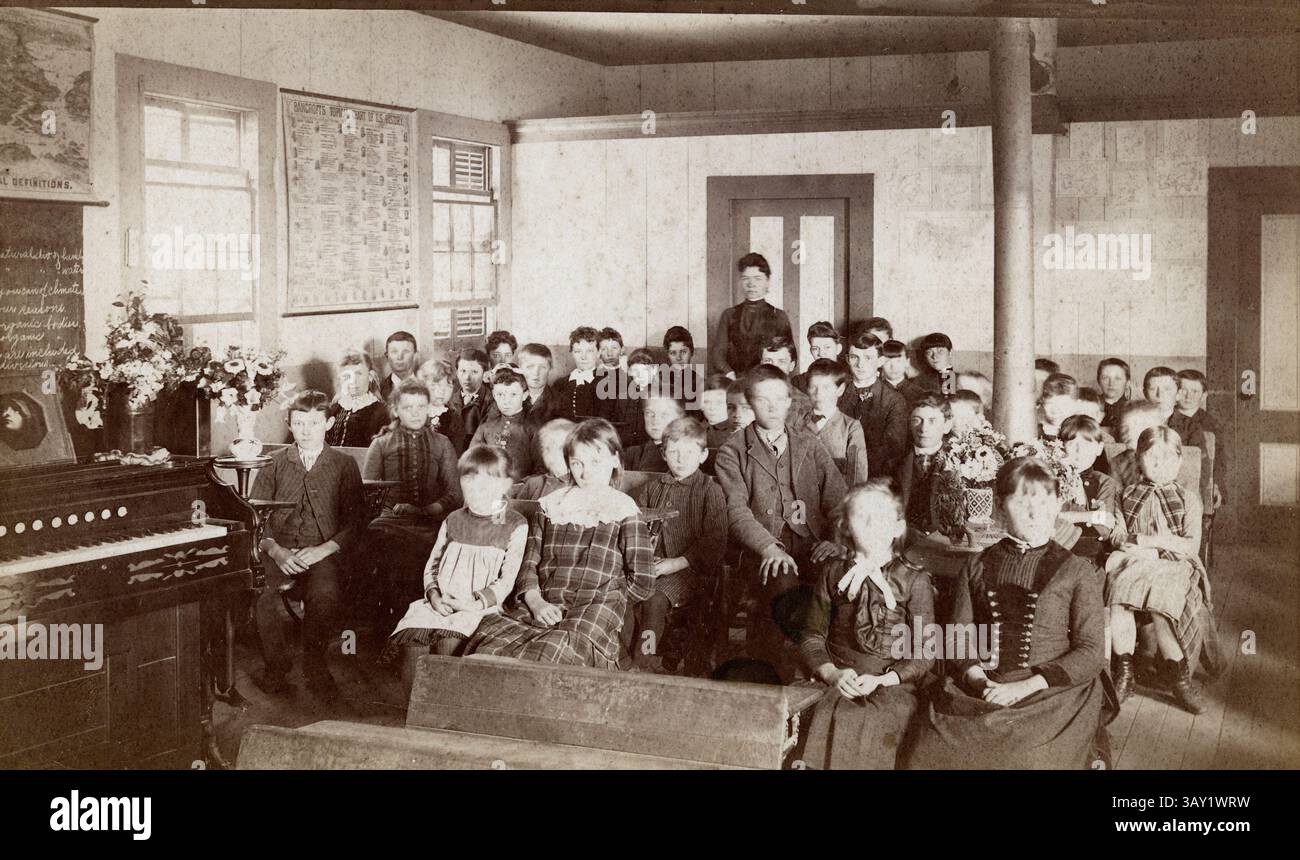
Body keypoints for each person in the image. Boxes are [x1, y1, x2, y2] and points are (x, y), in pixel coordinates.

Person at [903, 457, 1109, 770]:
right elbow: (959, 636)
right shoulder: (976, 564)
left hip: (1050, 693)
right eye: (1021, 500)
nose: (1033, 511)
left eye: (1043, 500)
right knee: (933, 746)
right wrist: (979, 680)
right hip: (984, 685)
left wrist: (1026, 686)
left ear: (1057, 506)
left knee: (1026, 759)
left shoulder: (1078, 571)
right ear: (1000, 507)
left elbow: (1092, 651)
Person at [465, 419, 655, 668]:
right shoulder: (552, 504)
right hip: (543, 602)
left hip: (594, 608)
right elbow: (529, 562)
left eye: (596, 462)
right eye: (577, 463)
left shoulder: (623, 508)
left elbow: (643, 579)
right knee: (490, 652)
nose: (586, 473)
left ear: (614, 460)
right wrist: (535, 601)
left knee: (549, 655)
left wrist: (611, 599)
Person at [714, 364, 847, 682]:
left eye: (779, 398)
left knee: (840, 579)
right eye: (762, 399)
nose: (772, 407)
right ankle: (780, 677)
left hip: (814, 545)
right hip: (760, 551)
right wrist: (769, 548)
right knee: (782, 582)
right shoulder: (733, 452)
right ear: (749, 403)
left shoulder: (810, 446)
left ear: (790, 401)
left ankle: (835, 667)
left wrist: (836, 540)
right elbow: (737, 512)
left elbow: (840, 502)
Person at [797, 482, 934, 769]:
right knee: (820, 711)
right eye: (862, 515)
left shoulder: (914, 580)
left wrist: (884, 680)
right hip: (836, 677)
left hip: (890, 684)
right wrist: (832, 673)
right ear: (846, 527)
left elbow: (924, 651)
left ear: (898, 527)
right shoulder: (833, 572)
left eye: (881, 515)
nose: (872, 523)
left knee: (870, 720)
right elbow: (812, 635)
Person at [385, 446, 527, 696]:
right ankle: (413, 716)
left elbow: (507, 580)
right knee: (413, 642)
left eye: (486, 482)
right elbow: (433, 564)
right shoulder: (453, 519)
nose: (475, 488)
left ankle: (445, 716)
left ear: (505, 484)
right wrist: (434, 596)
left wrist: (471, 604)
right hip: (441, 602)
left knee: (448, 641)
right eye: (468, 479)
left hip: (480, 608)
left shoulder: (514, 524)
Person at [251, 390, 366, 699]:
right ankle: (276, 667)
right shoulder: (273, 463)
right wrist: (275, 549)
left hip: (323, 551)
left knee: (325, 592)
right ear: (290, 424)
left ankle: (315, 666)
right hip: (279, 551)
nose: (306, 430)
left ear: (328, 423)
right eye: (299, 423)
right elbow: (255, 519)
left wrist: (323, 550)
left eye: (314, 423)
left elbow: (355, 524)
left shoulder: (343, 465)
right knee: (260, 592)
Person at [1104, 426, 1215, 713]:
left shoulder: (1189, 499)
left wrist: (1151, 544)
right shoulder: (1127, 495)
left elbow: (1190, 546)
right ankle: (1125, 672)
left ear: (1179, 461)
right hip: (1136, 561)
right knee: (1119, 597)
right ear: (1138, 459)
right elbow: (1118, 535)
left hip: (1176, 565)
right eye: (1152, 457)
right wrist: (1135, 545)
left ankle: (1179, 678)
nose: (1160, 464)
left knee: (1161, 602)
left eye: (1168, 458)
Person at [623, 417, 727, 672]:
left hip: (689, 571)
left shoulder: (708, 490)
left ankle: (643, 660)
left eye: (689, 452)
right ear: (663, 454)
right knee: (620, 595)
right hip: (649, 566)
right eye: (674, 452)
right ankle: (620, 658)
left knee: (654, 600)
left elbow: (715, 539)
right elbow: (636, 529)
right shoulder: (651, 488)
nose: (681, 459)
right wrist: (643, 559)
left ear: (703, 455)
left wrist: (676, 563)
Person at [365, 379, 463, 622]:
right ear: (396, 410)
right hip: (389, 523)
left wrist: (427, 510)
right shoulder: (381, 444)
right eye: (408, 407)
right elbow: (368, 491)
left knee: (423, 555)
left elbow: (455, 494)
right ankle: (389, 625)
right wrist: (388, 510)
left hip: (432, 523)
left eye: (421, 407)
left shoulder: (442, 443)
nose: (416, 413)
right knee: (386, 551)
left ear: (430, 408)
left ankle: (416, 622)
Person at [708, 252, 793, 378]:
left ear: (767, 281)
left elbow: (790, 355)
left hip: (767, 379)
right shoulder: (729, 314)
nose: (751, 284)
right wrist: (729, 374)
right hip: (735, 381)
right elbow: (718, 353)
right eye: (745, 278)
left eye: (757, 278)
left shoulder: (779, 315)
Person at [841, 332, 909, 480]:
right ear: (847, 359)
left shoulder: (894, 401)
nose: (860, 364)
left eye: (868, 358)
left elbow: (893, 452)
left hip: (875, 479)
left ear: (880, 361)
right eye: (854, 357)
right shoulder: (835, 393)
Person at [1057, 415, 1120, 562]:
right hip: (1057, 550)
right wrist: (1090, 516)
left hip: (1090, 555)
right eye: (1072, 444)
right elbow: (1047, 520)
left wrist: (1067, 516)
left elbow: (1104, 529)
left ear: (1099, 449)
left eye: (1087, 444)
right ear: (1061, 447)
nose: (1079, 452)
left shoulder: (1105, 482)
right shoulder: (1053, 479)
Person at [802, 358, 869, 485]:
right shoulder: (797, 423)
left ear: (840, 389)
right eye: (813, 387)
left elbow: (858, 475)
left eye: (826, 387)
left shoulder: (851, 427)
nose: (819, 393)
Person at [1170, 369, 1225, 511]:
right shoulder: (1166, 416)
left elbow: (1220, 459)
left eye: (1195, 391)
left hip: (1198, 483)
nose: (1188, 396)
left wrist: (1216, 486)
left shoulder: (1211, 423)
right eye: (1183, 390)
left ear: (1204, 395)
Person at [468, 366, 536, 481]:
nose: (506, 401)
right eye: (500, 395)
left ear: (524, 395)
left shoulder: (533, 429)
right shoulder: (485, 428)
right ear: (494, 395)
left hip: (521, 493)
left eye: (513, 394)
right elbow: (472, 461)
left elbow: (541, 470)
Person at [326, 348, 387, 448]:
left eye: (359, 373)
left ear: (370, 376)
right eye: (347, 376)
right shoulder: (334, 408)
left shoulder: (382, 412)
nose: (353, 381)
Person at [512, 418, 575, 500]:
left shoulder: (581, 485)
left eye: (560, 448)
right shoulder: (534, 484)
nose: (552, 453)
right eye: (547, 448)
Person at [759, 335, 813, 425]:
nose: (774, 367)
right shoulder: (747, 397)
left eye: (781, 361)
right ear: (761, 364)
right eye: (768, 361)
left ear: (792, 365)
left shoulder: (804, 403)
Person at [622, 396, 684, 473]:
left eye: (664, 414)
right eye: (649, 413)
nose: (655, 421)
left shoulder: (686, 456)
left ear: (680, 417)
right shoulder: (632, 454)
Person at [416, 358, 466, 454]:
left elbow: (456, 452)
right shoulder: (414, 413)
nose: (442, 391)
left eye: (448, 386)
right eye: (435, 385)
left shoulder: (454, 418)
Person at [898, 332, 955, 403]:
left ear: (950, 352)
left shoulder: (964, 379)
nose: (934, 356)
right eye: (929, 352)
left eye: (940, 351)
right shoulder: (917, 383)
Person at [452, 348, 492, 440]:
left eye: (474, 372)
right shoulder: (449, 398)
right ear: (457, 372)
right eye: (463, 371)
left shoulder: (491, 401)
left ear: (485, 374)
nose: (467, 377)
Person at [517, 342, 560, 429]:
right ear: (520, 367)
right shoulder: (509, 396)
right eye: (530, 367)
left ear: (550, 369)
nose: (536, 373)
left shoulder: (560, 401)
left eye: (542, 367)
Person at [791, 321, 843, 392]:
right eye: (815, 348)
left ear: (838, 349)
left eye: (827, 347)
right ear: (811, 351)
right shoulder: (799, 382)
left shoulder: (848, 381)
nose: (821, 353)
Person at [662, 325, 703, 415]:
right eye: (673, 353)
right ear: (667, 355)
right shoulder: (659, 380)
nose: (678, 358)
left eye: (683, 352)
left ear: (692, 352)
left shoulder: (699, 382)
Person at [379, 331, 418, 401]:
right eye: (394, 352)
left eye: (406, 351)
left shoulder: (427, 386)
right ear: (387, 356)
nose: (400, 357)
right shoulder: (378, 391)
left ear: (415, 355)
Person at [1039, 373, 1080, 440]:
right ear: (1043, 402)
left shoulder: (1083, 432)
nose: (1055, 411)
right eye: (1050, 404)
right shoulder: (1035, 431)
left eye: (1064, 405)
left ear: (1076, 404)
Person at [1097, 357, 1132, 434]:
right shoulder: (1089, 407)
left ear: (1127, 383)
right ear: (1098, 381)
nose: (1111, 383)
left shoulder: (1133, 410)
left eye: (1118, 378)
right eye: (1105, 378)